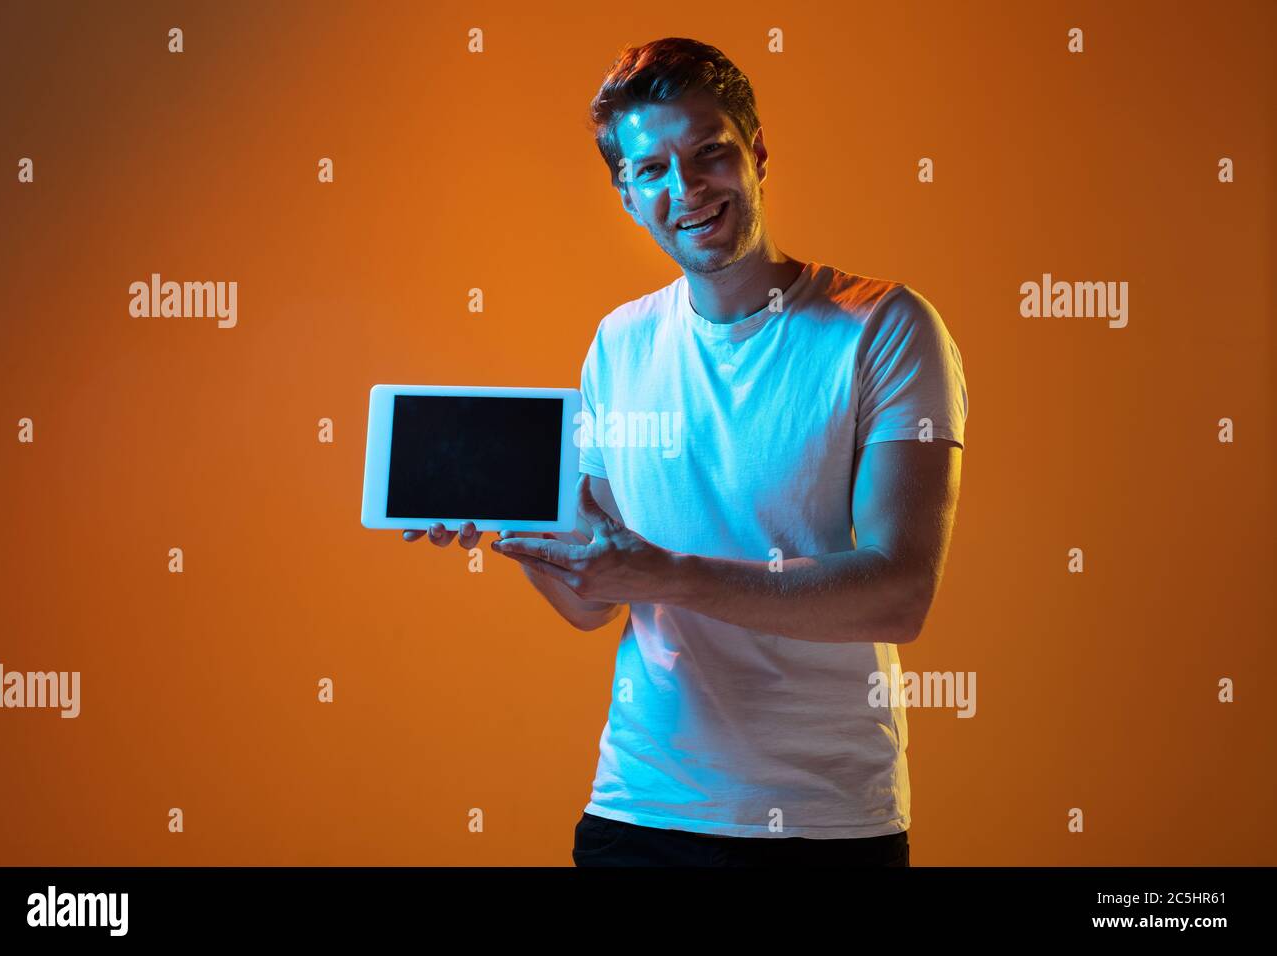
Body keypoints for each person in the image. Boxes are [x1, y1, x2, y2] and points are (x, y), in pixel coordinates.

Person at [407, 37, 967, 867]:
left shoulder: (885, 328)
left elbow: (898, 594)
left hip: (822, 820)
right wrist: (511, 527)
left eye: (711, 154)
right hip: (640, 808)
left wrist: (666, 573)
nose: (688, 189)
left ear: (758, 154)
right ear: (626, 194)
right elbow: (593, 600)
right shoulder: (620, 343)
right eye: (653, 171)